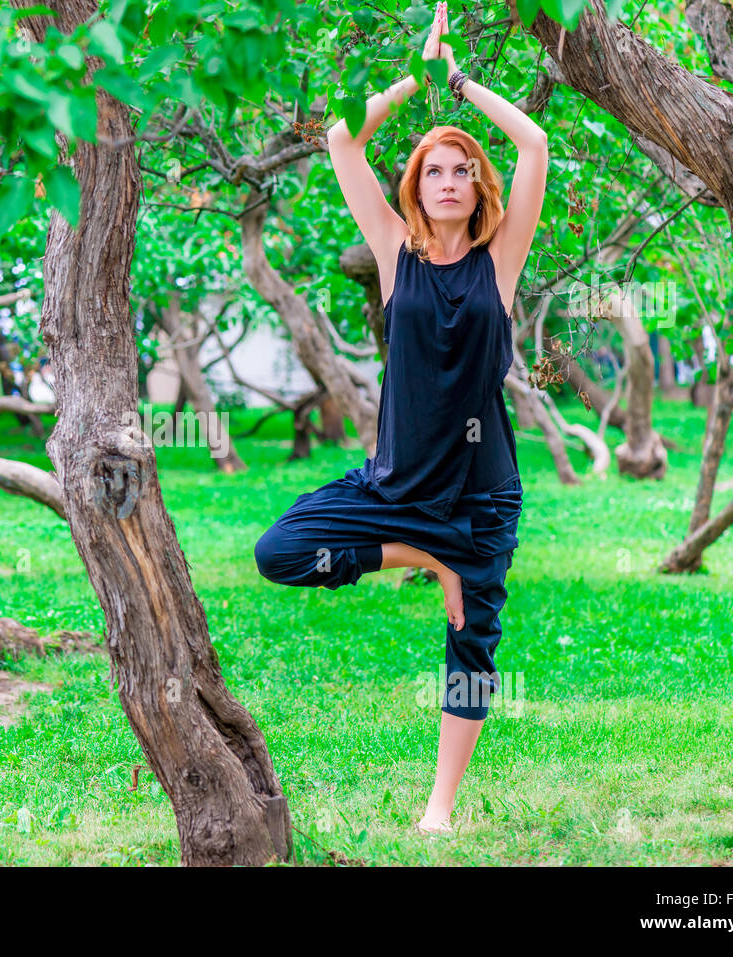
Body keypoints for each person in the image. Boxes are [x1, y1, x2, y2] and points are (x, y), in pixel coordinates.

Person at [253, 1, 548, 837]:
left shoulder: (502, 260)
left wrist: (463, 85)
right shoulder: (394, 254)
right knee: (279, 552)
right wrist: (419, 73)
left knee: (473, 645)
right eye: (433, 170)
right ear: (415, 190)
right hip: (395, 484)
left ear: (477, 188)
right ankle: (426, 557)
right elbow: (344, 141)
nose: (447, 181)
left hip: (481, 491)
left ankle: (439, 807)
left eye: (460, 170)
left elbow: (535, 146)